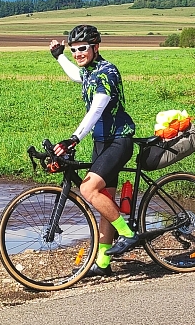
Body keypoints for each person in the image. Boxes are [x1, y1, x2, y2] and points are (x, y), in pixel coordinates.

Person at [49, 24, 137, 274]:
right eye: (74, 49)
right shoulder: (89, 70)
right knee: (104, 202)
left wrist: (74, 138)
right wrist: (59, 56)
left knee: (88, 189)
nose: (78, 53)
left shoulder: (106, 73)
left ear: (96, 47)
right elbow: (76, 75)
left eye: (82, 48)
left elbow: (96, 109)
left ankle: (128, 234)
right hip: (101, 143)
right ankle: (103, 263)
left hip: (119, 141)